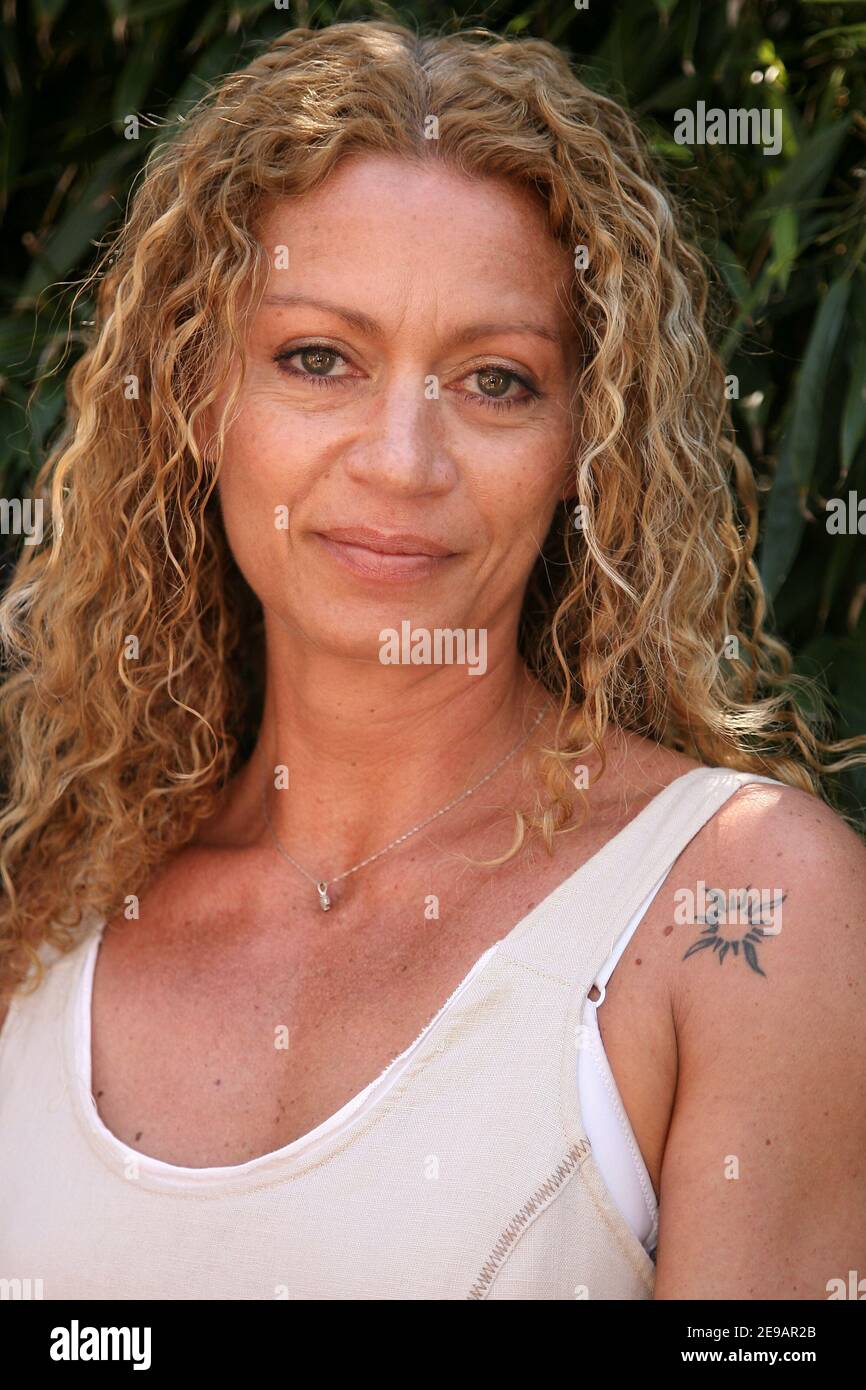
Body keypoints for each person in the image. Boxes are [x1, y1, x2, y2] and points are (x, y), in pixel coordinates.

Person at [0, 18, 864, 1302]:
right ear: (194, 398)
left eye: (496, 380)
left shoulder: (741, 912)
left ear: (589, 444)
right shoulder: (40, 909)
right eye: (317, 359)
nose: (402, 460)